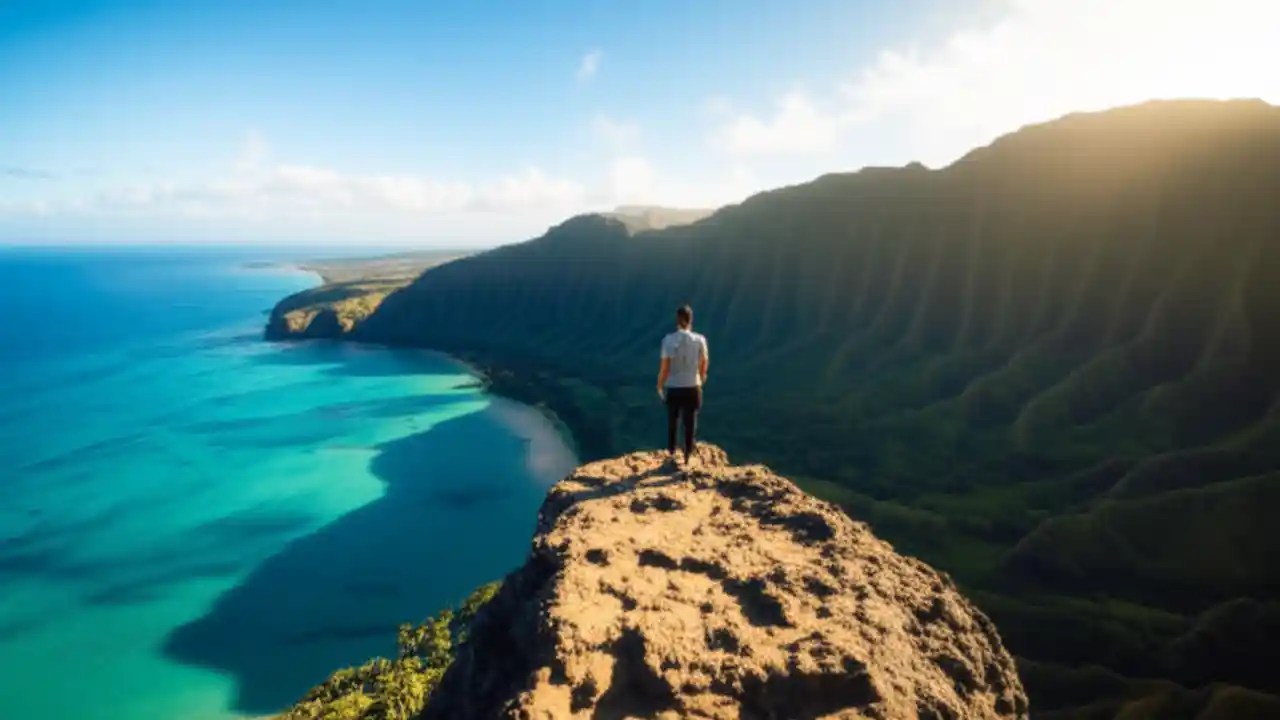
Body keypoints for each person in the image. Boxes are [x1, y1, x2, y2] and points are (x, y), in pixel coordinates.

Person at [657, 304, 709, 464]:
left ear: (677, 320)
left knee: (673, 421)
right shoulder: (700, 339)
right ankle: (687, 455)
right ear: (690, 319)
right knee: (690, 421)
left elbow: (665, 368)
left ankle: (672, 453)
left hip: (673, 387)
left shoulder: (668, 340)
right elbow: (704, 362)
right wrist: (700, 378)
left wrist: (660, 385)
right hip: (693, 386)